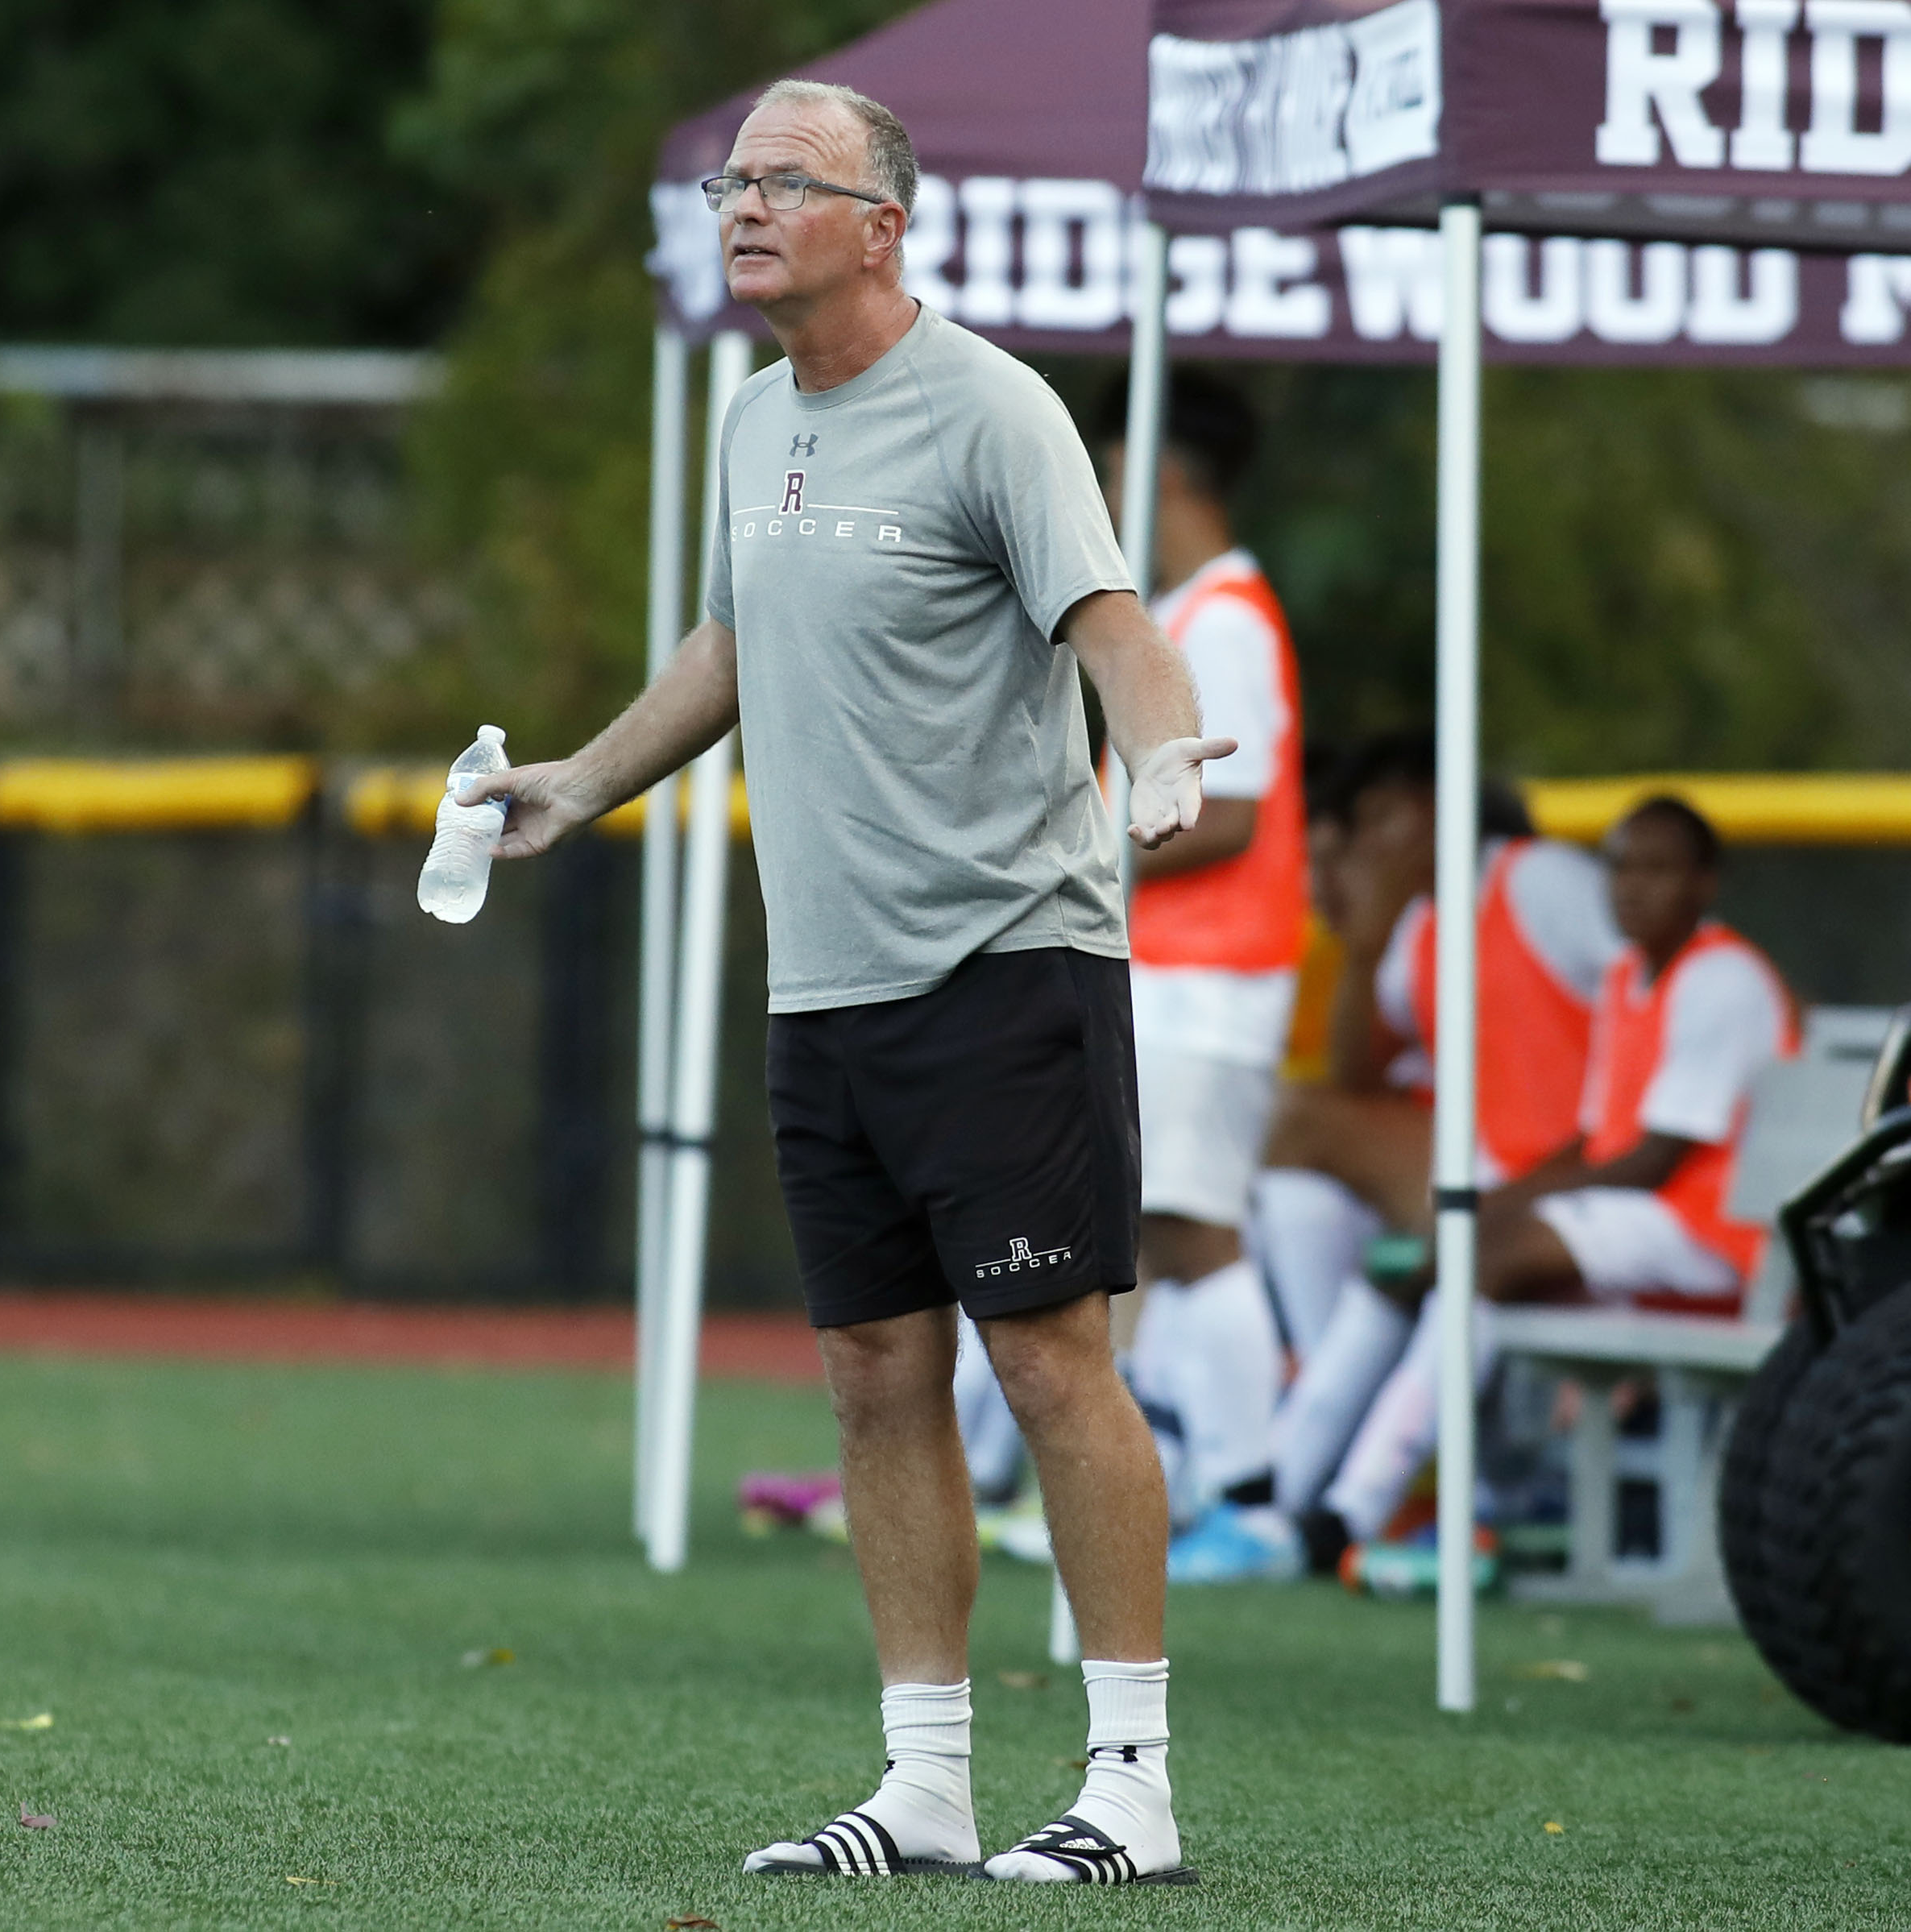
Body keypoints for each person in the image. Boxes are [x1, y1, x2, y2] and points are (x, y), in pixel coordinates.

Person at [465, 78, 1220, 1885]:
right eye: (732, 179)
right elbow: (733, 635)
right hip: (827, 989)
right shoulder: (749, 421)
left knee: (1052, 1365)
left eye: (782, 183)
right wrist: (577, 779)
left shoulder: (992, 409)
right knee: (874, 1372)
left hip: (1005, 965)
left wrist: (1168, 753)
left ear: (881, 225)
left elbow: (1117, 628)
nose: (741, 206)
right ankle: (928, 1784)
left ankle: (1130, 1782)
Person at [1290, 795, 1797, 1567]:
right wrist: (1485, 1208)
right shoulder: (1629, 975)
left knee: (1477, 1258)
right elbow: (1594, 1141)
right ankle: (1299, 1493)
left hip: (1715, 1234)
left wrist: (1500, 1216)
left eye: (1658, 869)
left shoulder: (1721, 978)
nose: (1632, 886)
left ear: (1704, 884)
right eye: (1622, 865)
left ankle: (1351, 1510)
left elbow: (1654, 1160)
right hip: (1649, 1224)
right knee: (1448, 1258)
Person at [1219, 732, 1624, 1576]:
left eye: (1379, 820)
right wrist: (1365, 944)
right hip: (1490, 1173)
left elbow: (1652, 984)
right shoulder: (1429, 919)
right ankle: (1318, 1488)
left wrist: (1608, 1134)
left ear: (1438, 808)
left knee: (1294, 1128)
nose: (1366, 844)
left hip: (1579, 1172)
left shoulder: (1534, 878)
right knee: (1302, 1190)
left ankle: (1322, 1488)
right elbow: (1357, 1072)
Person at [1109, 372, 1311, 1568]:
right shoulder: (1198, 608)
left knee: (1193, 1232)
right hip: (1181, 976)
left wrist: (1087, 852)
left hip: (1207, 979)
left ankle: (1252, 1498)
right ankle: (1199, 1484)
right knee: (1157, 1235)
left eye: (1114, 461)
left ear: (1166, 472)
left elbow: (1226, 811)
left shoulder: (1224, 618)